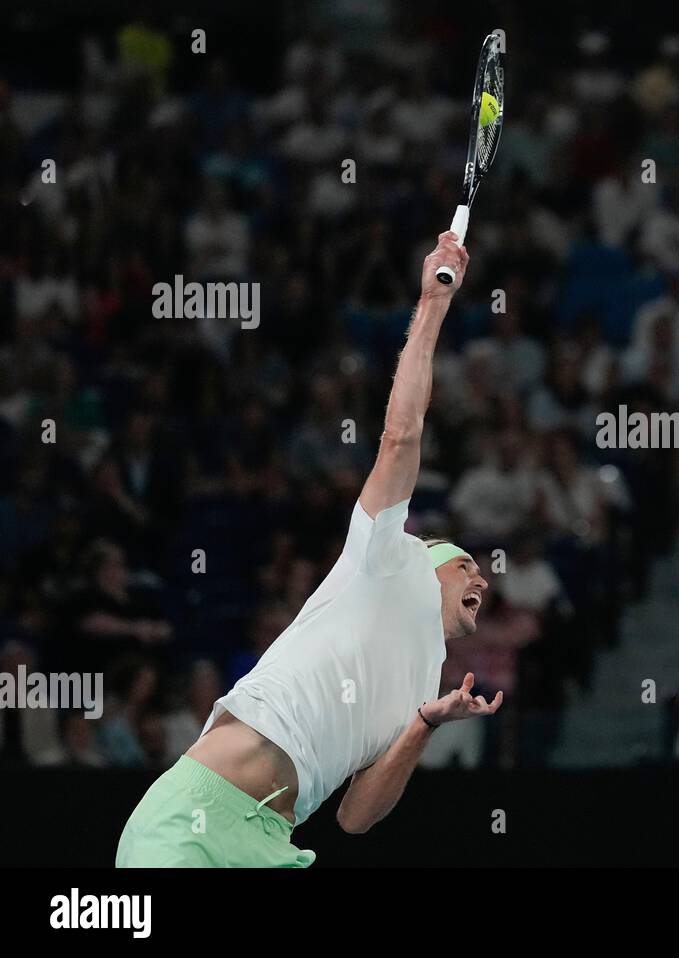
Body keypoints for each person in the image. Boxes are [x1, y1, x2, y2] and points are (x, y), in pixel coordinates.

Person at [116, 233, 502, 868]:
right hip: (193, 821)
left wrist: (423, 724)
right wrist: (433, 305)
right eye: (466, 563)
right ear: (426, 559)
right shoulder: (384, 558)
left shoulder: (424, 678)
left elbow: (355, 817)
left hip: (271, 843)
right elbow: (401, 436)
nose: (482, 581)